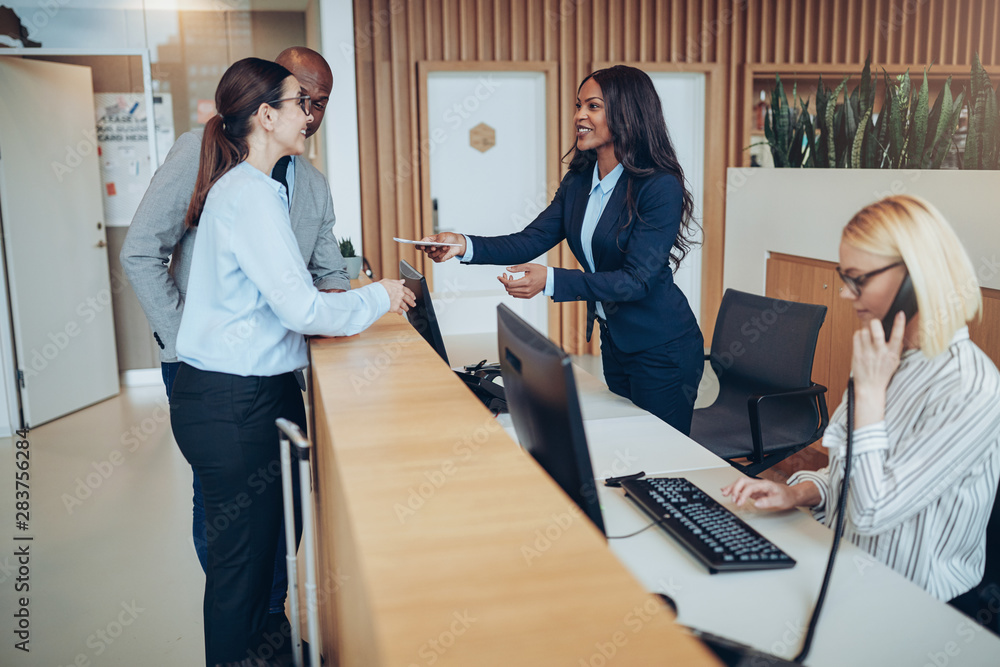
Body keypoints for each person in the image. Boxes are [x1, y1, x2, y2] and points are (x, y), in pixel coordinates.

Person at [166, 57, 414, 666]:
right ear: (266, 115)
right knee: (240, 581)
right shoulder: (249, 195)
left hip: (248, 396)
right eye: (300, 103)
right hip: (232, 403)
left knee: (258, 571)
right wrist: (380, 294)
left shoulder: (254, 188)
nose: (311, 115)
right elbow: (301, 307)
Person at [121, 46, 345, 644]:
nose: (313, 113)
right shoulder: (202, 153)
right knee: (231, 526)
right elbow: (141, 252)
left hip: (271, 375)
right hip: (208, 373)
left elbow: (327, 272)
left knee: (276, 515)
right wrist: (185, 341)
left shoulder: (312, 185)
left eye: (322, 102)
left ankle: (266, 625)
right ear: (268, 101)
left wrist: (349, 303)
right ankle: (247, 620)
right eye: (304, 98)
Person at [722, 195, 1000, 607]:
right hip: (848, 566)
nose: (847, 294)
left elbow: (872, 512)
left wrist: (869, 395)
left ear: (913, 277)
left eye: (858, 278)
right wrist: (796, 493)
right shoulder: (885, 354)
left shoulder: (970, 388)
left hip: (915, 604)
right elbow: (850, 474)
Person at [418, 65, 704, 435]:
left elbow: (637, 281)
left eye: (593, 106)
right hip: (615, 341)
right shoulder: (580, 181)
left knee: (660, 451)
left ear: (628, 113)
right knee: (627, 441)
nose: (579, 116)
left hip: (663, 349)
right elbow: (531, 239)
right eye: (578, 105)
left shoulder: (658, 187)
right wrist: (462, 245)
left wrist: (551, 280)